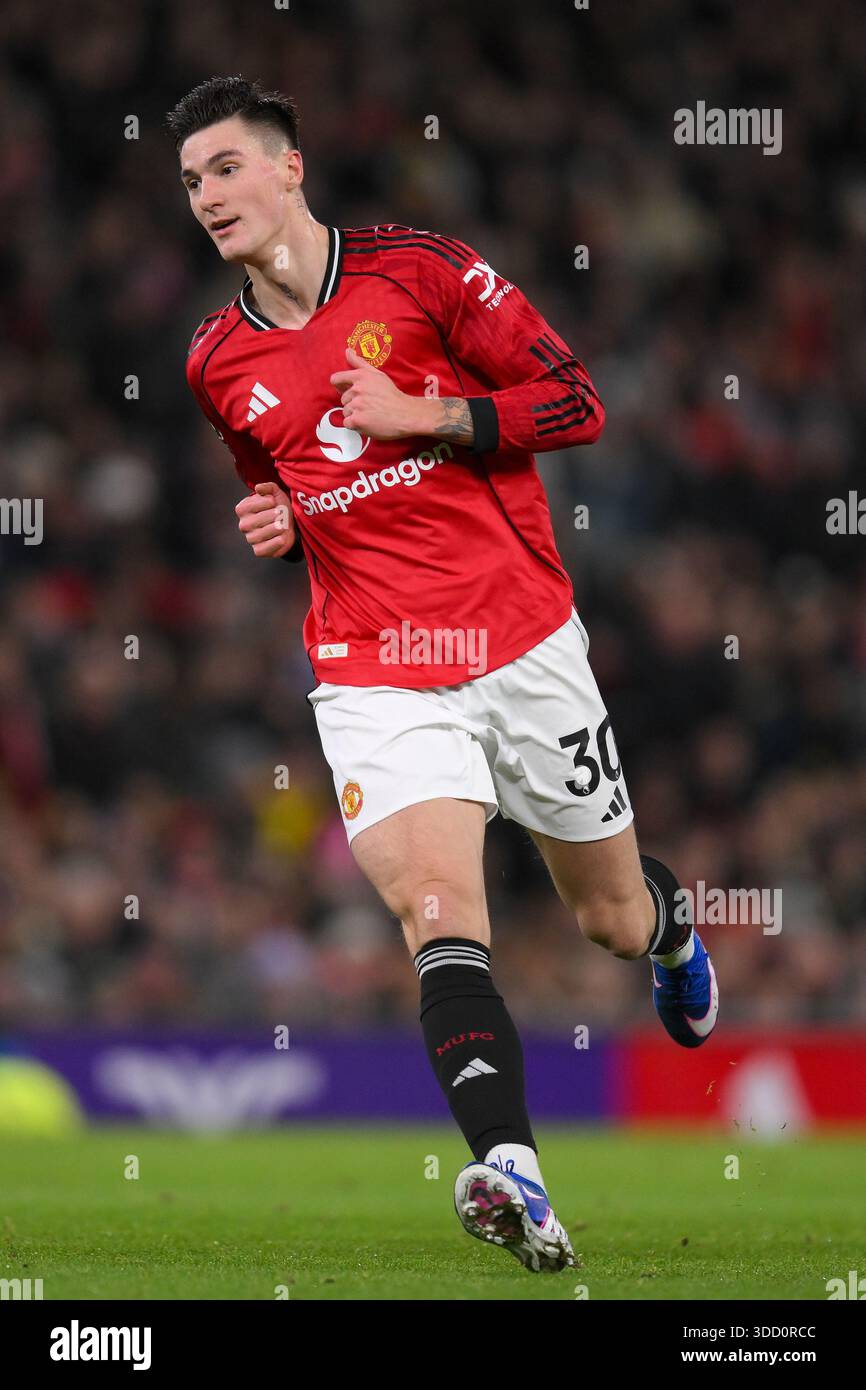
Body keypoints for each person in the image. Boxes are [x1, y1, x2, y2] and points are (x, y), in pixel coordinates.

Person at [168, 75, 718, 1274]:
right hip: (374, 668)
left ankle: (672, 928)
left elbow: (575, 401)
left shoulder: (418, 271)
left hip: (519, 646)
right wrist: (274, 516)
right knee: (435, 910)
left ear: (287, 167)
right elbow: (276, 477)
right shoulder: (214, 359)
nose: (206, 196)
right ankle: (511, 1168)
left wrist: (429, 411)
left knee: (606, 921)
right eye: (191, 183)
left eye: (223, 168)